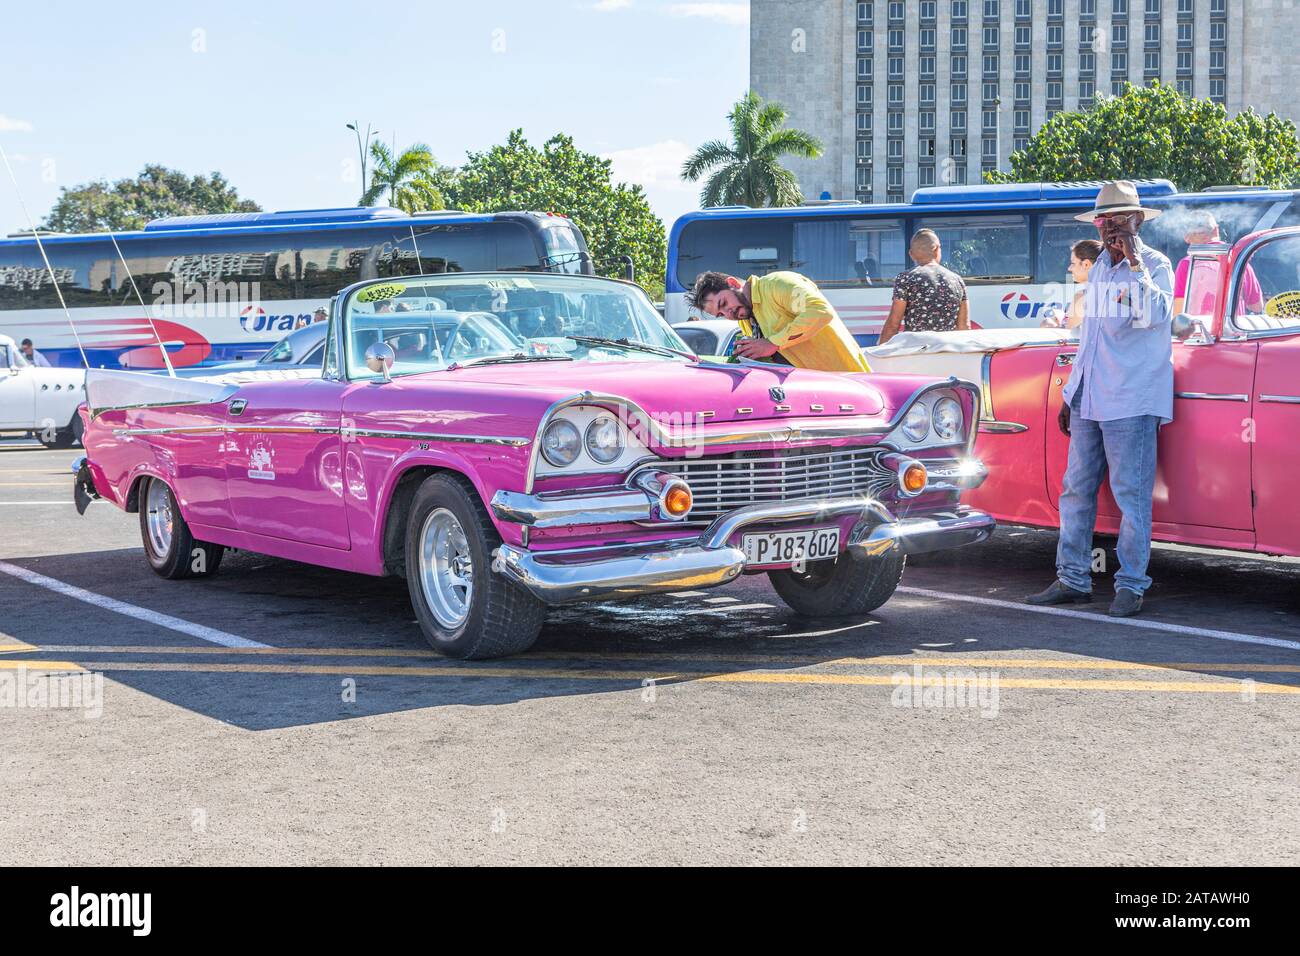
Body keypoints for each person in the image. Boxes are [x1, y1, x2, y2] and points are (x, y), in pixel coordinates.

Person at [1027, 181, 1174, 618]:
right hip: (1091, 397)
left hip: (1131, 398)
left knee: (1131, 496)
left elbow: (1155, 317)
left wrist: (1133, 261)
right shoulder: (1102, 271)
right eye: (1103, 220)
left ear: (1136, 221)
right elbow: (1091, 338)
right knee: (1076, 491)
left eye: (1117, 220)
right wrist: (1071, 393)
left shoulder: (1154, 264)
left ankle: (1130, 584)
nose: (1108, 228)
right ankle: (1072, 578)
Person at [685, 270, 871, 372]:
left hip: (850, 385)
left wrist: (773, 343)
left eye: (724, 303)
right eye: (721, 314)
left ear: (733, 284)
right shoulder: (745, 320)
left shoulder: (778, 283)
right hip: (815, 398)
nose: (728, 313)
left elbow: (819, 311)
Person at [877, 229, 968, 345]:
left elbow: (893, 325)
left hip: (916, 351)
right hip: (947, 350)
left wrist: (880, 350)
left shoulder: (905, 279)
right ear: (936, 250)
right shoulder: (957, 280)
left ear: (911, 254)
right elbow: (964, 327)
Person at [1171, 211, 1263, 316]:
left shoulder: (1188, 264)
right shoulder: (1239, 261)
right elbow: (1257, 306)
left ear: (1187, 237)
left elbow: (1179, 312)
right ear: (1216, 230)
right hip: (1235, 330)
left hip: (1199, 330)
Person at [1040, 239, 1103, 330]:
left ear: (1086, 264)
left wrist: (1051, 324)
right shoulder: (1117, 292)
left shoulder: (1082, 297)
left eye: (1073, 263)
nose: (1069, 268)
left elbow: (1069, 337)